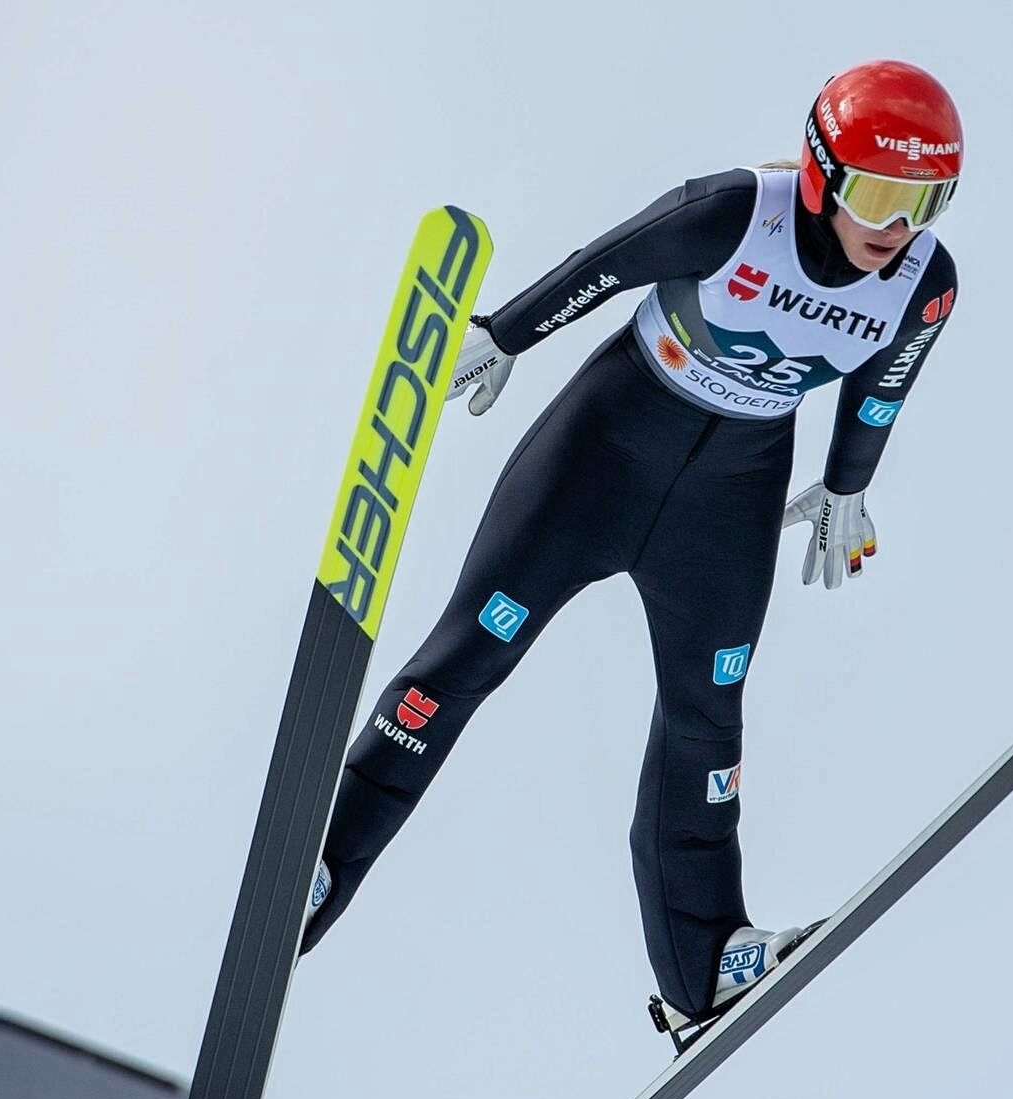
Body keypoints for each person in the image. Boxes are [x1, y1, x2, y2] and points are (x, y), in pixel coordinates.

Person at [301, 59, 963, 1039]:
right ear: (823, 173)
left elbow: (882, 390)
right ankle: (314, 870)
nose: (896, 226)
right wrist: (507, 334)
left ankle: (704, 965)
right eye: (877, 195)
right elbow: (602, 266)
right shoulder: (736, 212)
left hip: (730, 498)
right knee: (469, 653)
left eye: (927, 202)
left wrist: (846, 485)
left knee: (709, 719)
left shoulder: (923, 284)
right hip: (604, 451)